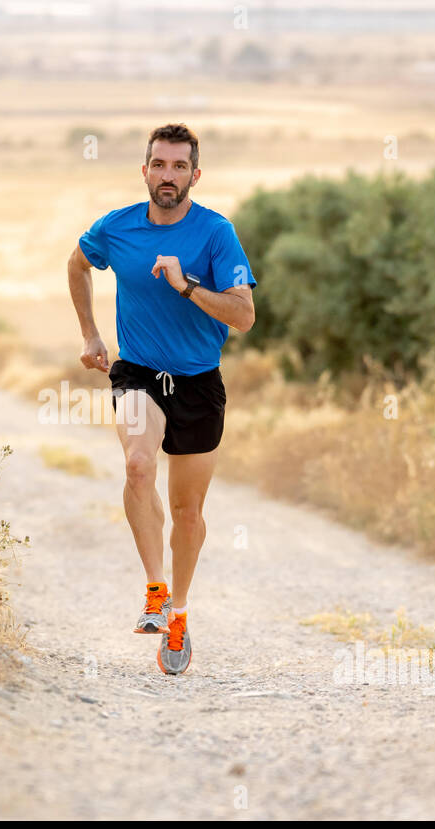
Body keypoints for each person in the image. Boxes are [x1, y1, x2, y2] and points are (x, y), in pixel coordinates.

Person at [65, 122, 257, 675]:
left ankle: (179, 612)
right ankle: (155, 592)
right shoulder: (116, 227)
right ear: (144, 169)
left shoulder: (217, 234)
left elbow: (244, 317)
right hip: (138, 373)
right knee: (137, 464)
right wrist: (90, 334)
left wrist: (187, 286)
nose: (167, 176)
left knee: (187, 512)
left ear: (195, 175)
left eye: (179, 167)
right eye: (158, 165)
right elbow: (78, 264)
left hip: (199, 382)